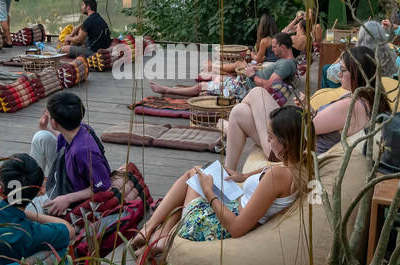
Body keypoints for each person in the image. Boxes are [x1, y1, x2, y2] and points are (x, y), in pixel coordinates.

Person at [130, 105, 309, 256]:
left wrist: (209, 192)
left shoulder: (277, 177)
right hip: (234, 209)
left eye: (270, 137)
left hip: (214, 227)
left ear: (285, 142)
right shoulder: (300, 164)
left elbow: (236, 228)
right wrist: (243, 176)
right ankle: (160, 235)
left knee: (193, 175)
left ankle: (154, 231)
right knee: (198, 175)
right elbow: (271, 173)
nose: (267, 141)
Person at [221, 46, 383, 171]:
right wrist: (310, 110)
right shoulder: (365, 101)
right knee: (239, 112)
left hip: (288, 151)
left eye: (343, 71)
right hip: (296, 144)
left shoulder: (350, 106)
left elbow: (303, 128)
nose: (339, 75)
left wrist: (304, 113)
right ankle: (229, 171)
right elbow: (321, 125)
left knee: (257, 92)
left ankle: (228, 137)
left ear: (357, 74)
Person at [28, 90, 112, 216]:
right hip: (67, 174)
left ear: (55, 122)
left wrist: (67, 199)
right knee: (42, 136)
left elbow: (104, 187)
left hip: (72, 195)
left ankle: (42, 197)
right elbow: (60, 133)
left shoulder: (83, 151)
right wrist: (46, 127)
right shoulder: (79, 128)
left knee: (24, 209)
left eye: (49, 116)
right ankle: (32, 186)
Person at [150, 32, 298, 99]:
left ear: (283, 47)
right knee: (213, 82)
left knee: (201, 87)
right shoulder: (287, 63)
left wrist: (252, 75)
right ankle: (174, 91)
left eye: (274, 47)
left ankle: (166, 89)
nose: (272, 50)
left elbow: (267, 86)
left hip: (243, 88)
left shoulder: (285, 64)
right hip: (242, 84)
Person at [205, 13, 278, 74]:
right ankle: (215, 67)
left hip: (268, 68)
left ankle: (213, 67)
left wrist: (252, 54)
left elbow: (257, 60)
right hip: (274, 66)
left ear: (263, 26)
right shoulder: (278, 38)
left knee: (239, 63)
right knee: (241, 64)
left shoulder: (265, 41)